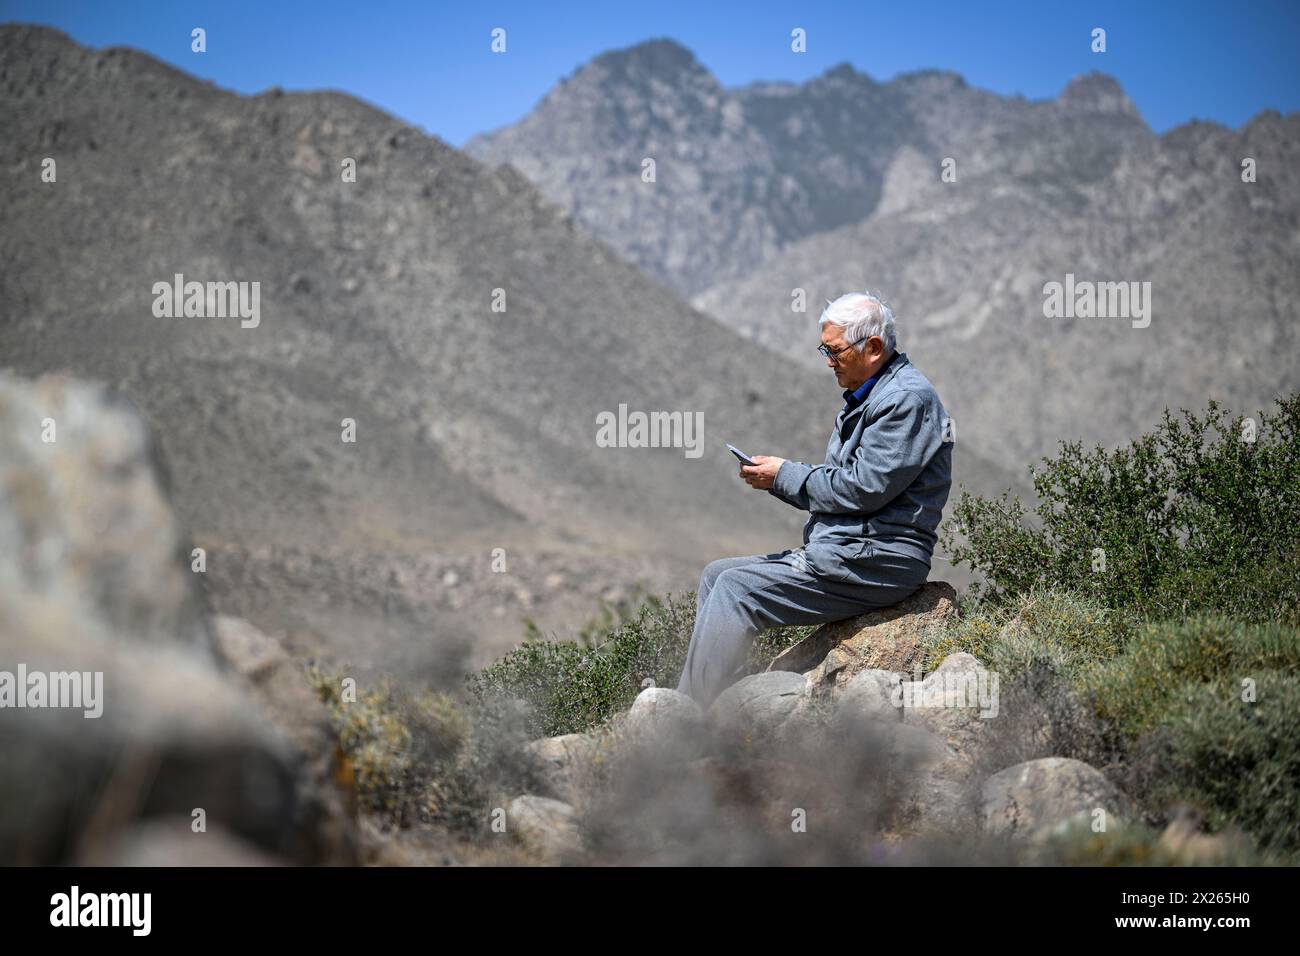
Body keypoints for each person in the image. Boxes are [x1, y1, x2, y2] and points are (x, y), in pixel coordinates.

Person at [675, 291, 953, 708]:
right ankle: (725, 702)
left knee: (736, 590)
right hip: (850, 551)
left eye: (835, 350)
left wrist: (784, 476)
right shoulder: (870, 396)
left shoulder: (906, 401)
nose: (827, 360)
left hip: (878, 558)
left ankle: (688, 717)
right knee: (717, 575)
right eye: (824, 349)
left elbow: (863, 488)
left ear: (873, 348)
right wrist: (782, 477)